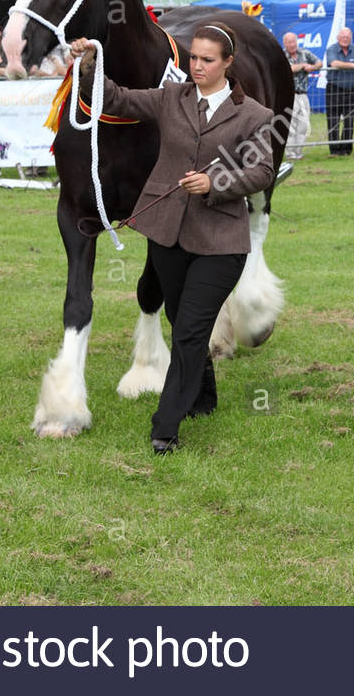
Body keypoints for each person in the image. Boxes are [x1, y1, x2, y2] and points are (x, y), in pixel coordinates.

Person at [67, 23, 275, 455]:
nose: (197, 66)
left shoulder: (254, 115)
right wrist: (90, 63)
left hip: (221, 243)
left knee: (189, 332)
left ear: (228, 64)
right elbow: (117, 98)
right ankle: (204, 396)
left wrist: (215, 182)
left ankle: (166, 425)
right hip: (166, 235)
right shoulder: (170, 97)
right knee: (184, 324)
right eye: (194, 57)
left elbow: (261, 172)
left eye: (208, 60)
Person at [325, 27, 354, 156]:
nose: (345, 39)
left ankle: (346, 149)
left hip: (351, 90)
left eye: (348, 37)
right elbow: (334, 63)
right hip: (334, 89)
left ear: (351, 38)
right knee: (333, 120)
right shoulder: (332, 49)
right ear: (338, 38)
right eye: (343, 36)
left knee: (349, 120)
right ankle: (334, 150)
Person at [281, 31, 321, 160]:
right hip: (288, 95)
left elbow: (319, 63)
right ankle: (290, 153)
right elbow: (287, 69)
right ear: (285, 43)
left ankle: (299, 152)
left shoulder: (304, 53)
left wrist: (312, 67)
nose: (292, 44)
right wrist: (301, 66)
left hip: (303, 94)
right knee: (290, 125)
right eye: (289, 42)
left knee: (303, 124)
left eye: (294, 41)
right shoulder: (281, 55)